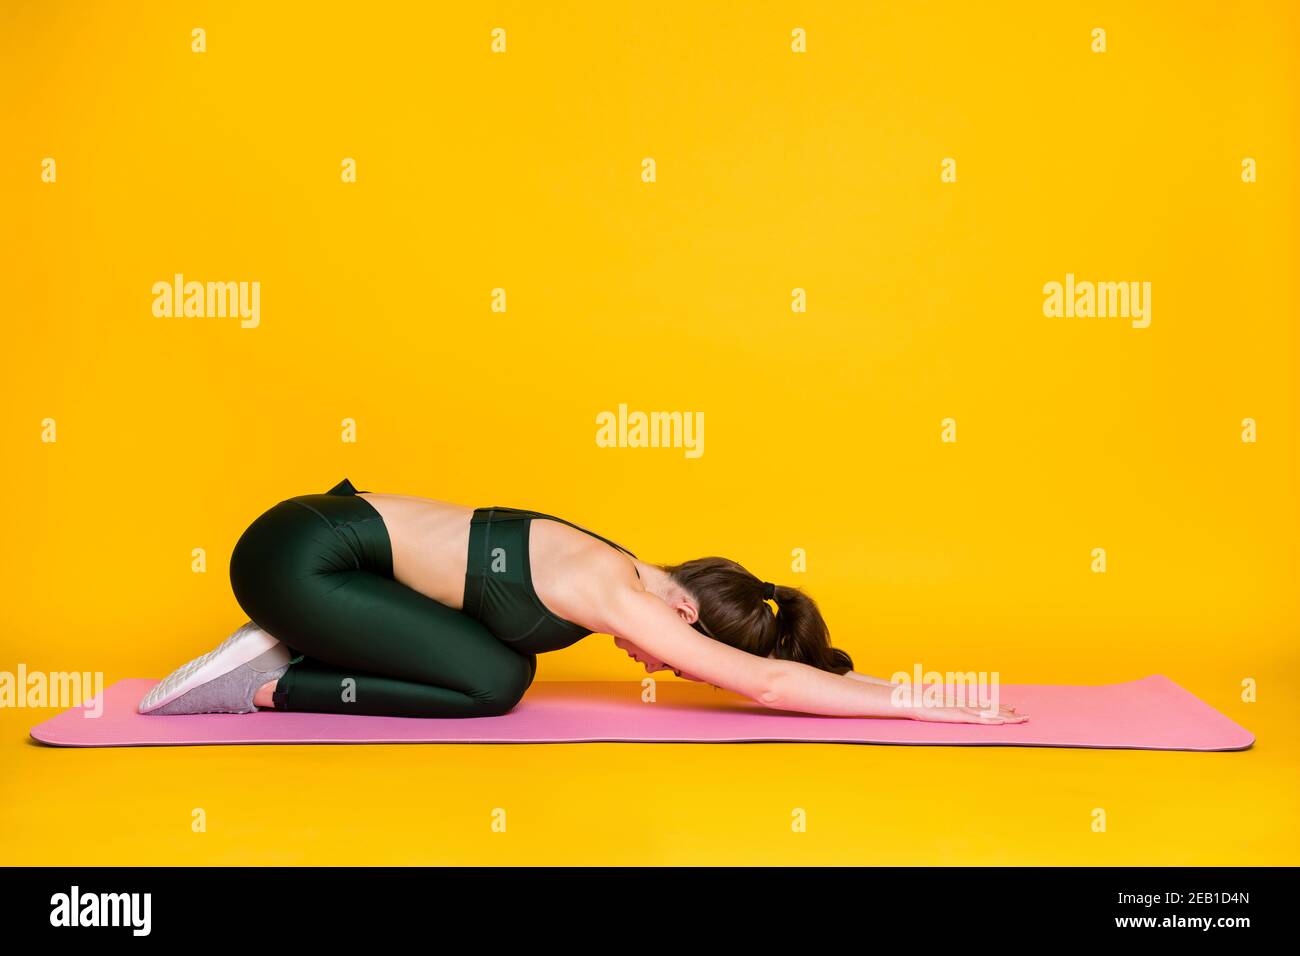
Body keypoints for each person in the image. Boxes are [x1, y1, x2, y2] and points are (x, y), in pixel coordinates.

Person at [138, 478, 1025, 725]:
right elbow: (769, 687)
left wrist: (883, 685)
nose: (657, 667)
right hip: (294, 561)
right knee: (494, 682)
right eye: (681, 663)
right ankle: (262, 682)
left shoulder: (635, 567)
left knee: (498, 656)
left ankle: (300, 640)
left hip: (318, 530)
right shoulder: (618, 594)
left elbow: (767, 673)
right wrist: (932, 707)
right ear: (685, 619)